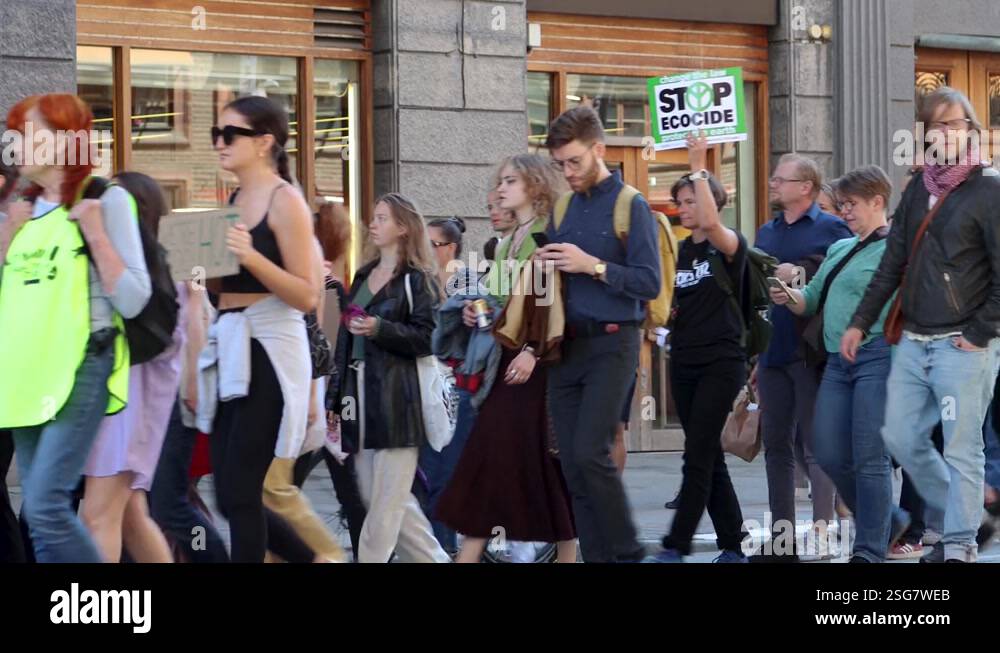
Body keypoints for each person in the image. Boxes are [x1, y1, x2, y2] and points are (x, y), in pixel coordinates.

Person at [841, 87, 1000, 563]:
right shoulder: (916, 189)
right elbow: (892, 263)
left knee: (961, 447)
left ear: (970, 130)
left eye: (955, 125)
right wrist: (860, 322)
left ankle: (958, 543)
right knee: (902, 438)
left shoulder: (988, 190)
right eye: (936, 125)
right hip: (913, 338)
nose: (945, 133)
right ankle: (967, 517)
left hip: (962, 343)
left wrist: (978, 333)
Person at [0, 94, 149, 562]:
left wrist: (99, 236)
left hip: (82, 365)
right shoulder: (20, 208)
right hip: (24, 374)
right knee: (41, 515)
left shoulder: (106, 199)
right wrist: (7, 234)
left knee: (45, 505)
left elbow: (135, 297)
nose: (15, 144)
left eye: (28, 134)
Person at [198, 95, 323, 563]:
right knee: (229, 492)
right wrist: (199, 262)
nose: (219, 143)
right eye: (216, 134)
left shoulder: (284, 200)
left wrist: (249, 256)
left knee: (239, 490)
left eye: (230, 134)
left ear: (265, 141)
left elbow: (308, 295)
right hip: (231, 341)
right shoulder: (231, 199)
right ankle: (315, 559)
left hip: (268, 346)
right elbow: (222, 287)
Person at [435, 154, 577, 564]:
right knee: (505, 461)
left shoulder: (543, 238)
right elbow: (500, 301)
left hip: (532, 367)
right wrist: (472, 310)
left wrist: (534, 351)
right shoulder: (507, 241)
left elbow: (553, 303)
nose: (500, 190)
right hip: (504, 361)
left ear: (535, 186)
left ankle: (474, 553)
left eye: (509, 181)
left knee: (508, 459)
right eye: (500, 182)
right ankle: (478, 551)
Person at [536, 106, 661, 563]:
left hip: (615, 340)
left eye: (574, 162)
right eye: (560, 164)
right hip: (567, 344)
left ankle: (629, 552)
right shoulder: (563, 206)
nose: (567, 172)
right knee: (571, 464)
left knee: (591, 452)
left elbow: (649, 283)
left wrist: (593, 265)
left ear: (599, 151)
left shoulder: (633, 204)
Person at [770, 165, 901, 563]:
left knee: (869, 454)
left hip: (877, 356)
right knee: (826, 450)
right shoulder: (840, 249)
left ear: (878, 202)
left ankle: (869, 548)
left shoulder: (896, 249)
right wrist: (789, 296)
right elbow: (811, 299)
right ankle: (888, 520)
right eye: (841, 204)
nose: (844, 211)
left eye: (852, 204)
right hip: (836, 361)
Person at [644, 134, 749, 563]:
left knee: (696, 455)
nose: (684, 209)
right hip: (683, 361)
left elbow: (710, 218)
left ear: (712, 203)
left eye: (690, 201)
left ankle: (676, 544)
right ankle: (733, 544)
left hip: (721, 363)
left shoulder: (730, 247)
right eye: (680, 203)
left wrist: (696, 161)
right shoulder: (680, 251)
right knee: (707, 454)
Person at [330, 193, 450, 563]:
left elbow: (430, 338)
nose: (373, 224)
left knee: (383, 510)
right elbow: (344, 340)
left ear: (402, 228)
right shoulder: (364, 274)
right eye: (374, 217)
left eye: (382, 218)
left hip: (399, 399)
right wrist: (334, 399)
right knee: (388, 503)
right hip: (360, 395)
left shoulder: (418, 280)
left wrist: (381, 328)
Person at [753, 153, 852, 561]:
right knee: (776, 446)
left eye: (781, 179)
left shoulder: (832, 228)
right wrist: (753, 358)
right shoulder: (766, 231)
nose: (773, 183)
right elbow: (756, 291)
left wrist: (804, 271)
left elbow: (844, 281)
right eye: (774, 178)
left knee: (817, 446)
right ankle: (784, 541)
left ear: (806, 187)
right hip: (773, 350)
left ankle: (824, 533)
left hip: (811, 352)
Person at [80, 171, 181, 563]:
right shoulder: (154, 268)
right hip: (122, 394)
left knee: (98, 514)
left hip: (131, 396)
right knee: (131, 514)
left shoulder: (159, 276)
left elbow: (137, 307)